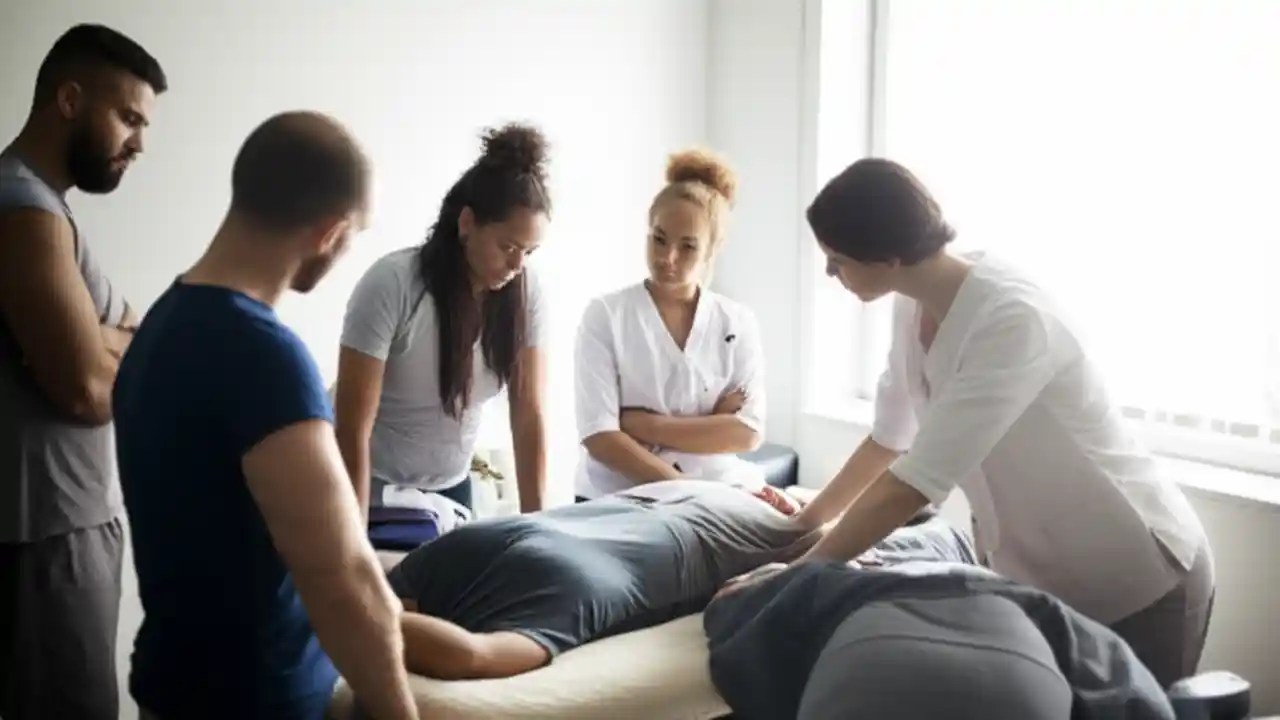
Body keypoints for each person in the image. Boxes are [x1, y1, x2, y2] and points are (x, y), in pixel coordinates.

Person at [723, 157, 1214, 688]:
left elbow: (914, 482)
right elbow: (890, 437)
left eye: (837, 260)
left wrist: (796, 578)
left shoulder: (1012, 319)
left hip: (1139, 574)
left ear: (887, 258)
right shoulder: (912, 305)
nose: (830, 273)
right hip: (1047, 581)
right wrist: (806, 523)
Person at [113, 112, 418, 720]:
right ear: (330, 233)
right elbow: (344, 580)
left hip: (171, 684)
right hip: (254, 700)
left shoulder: (161, 327)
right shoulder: (262, 355)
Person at [0, 24, 165, 720]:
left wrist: (108, 336)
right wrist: (120, 341)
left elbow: (130, 331)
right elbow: (89, 388)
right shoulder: (25, 209)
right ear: (69, 99)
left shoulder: (45, 208)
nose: (140, 142)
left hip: (60, 525)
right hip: (48, 536)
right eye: (128, 116)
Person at [335, 123, 551, 528]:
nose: (517, 265)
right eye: (507, 247)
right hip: (373, 481)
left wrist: (537, 528)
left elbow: (528, 413)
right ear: (467, 223)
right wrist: (353, 533)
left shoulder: (526, 290)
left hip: (452, 485)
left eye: (529, 251)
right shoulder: (393, 283)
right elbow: (352, 427)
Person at [385, 480, 822, 680]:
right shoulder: (772, 517)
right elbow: (471, 658)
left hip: (555, 546)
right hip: (588, 558)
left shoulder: (781, 526)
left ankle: (334, 613)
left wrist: (346, 611)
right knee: (478, 651)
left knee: (380, 596)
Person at [574, 149, 767, 500]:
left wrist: (644, 425)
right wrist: (688, 489)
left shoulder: (738, 322)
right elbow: (600, 436)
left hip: (720, 492)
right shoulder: (606, 315)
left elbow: (747, 433)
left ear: (713, 248)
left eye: (688, 246)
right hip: (619, 499)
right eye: (659, 239)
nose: (667, 259)